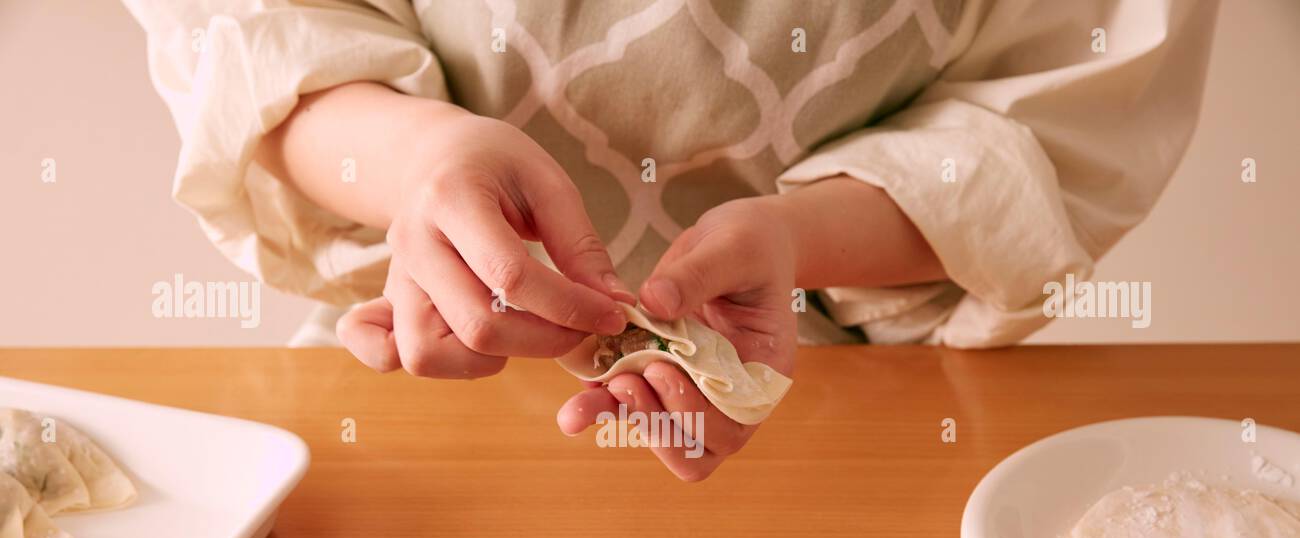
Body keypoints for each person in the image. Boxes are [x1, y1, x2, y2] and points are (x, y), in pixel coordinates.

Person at [124, 0, 1217, 480]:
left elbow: (1065, 110)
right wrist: (421, 164)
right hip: (407, 381)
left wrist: (795, 235)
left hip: (849, 417)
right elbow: (251, 40)